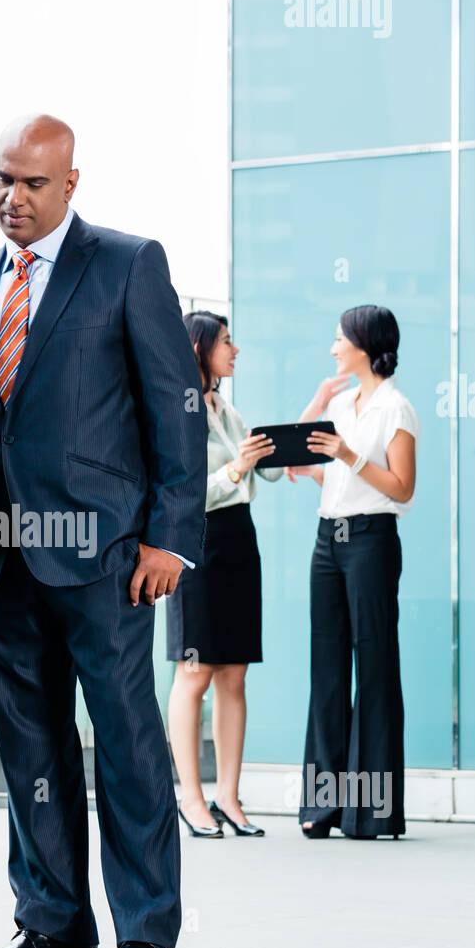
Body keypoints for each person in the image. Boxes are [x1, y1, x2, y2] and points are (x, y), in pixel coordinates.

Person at [0, 114, 207, 948]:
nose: (12, 198)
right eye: (1, 180)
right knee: (29, 746)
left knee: (128, 742)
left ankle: (145, 931)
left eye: (32, 184)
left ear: (70, 185)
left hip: (107, 558)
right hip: (2, 557)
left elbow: (176, 404)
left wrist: (170, 536)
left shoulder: (129, 264)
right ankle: (52, 923)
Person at [290, 305, 417, 839]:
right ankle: (325, 809)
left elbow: (402, 489)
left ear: (364, 346)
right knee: (327, 672)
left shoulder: (396, 409)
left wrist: (346, 456)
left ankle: (373, 812)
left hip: (370, 543)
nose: (334, 346)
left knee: (375, 667)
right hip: (329, 541)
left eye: (341, 338)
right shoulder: (342, 402)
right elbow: (291, 454)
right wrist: (319, 404)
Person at [166, 312, 281, 837]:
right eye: (227, 342)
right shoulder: (179, 405)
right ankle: (190, 797)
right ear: (199, 346)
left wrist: (258, 456)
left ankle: (229, 799)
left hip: (238, 540)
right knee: (194, 672)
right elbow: (182, 490)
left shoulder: (224, 407)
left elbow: (269, 469)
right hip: (197, 544)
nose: (235, 351)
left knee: (234, 672)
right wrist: (237, 468)